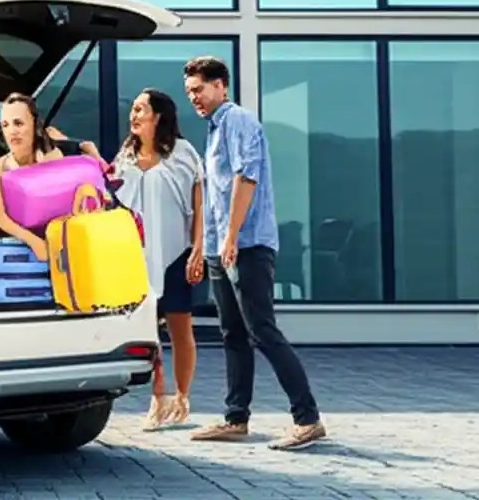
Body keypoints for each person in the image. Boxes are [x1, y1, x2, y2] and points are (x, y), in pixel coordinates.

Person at [182, 56, 327, 451]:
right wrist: (207, 247)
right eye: (190, 92)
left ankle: (307, 419)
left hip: (246, 245)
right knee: (233, 334)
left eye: (199, 89)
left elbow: (248, 175)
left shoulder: (238, 121)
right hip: (219, 248)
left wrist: (231, 236)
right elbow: (213, 195)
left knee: (262, 330)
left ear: (220, 86)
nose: (194, 97)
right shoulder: (212, 132)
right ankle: (236, 418)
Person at [110, 89, 204, 431]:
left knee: (181, 330)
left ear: (158, 116)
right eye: (132, 110)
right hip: (137, 258)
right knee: (150, 334)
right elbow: (113, 200)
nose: (133, 116)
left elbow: (200, 203)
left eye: (140, 109)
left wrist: (198, 248)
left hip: (178, 254)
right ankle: (157, 397)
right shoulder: (126, 157)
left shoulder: (183, 153)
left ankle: (182, 397)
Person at [0, 93, 64, 259]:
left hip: (56, 245)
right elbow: (1, 218)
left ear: (34, 124)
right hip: (16, 250)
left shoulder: (53, 157)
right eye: (5, 125)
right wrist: (34, 242)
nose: (12, 131)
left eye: (18, 123)